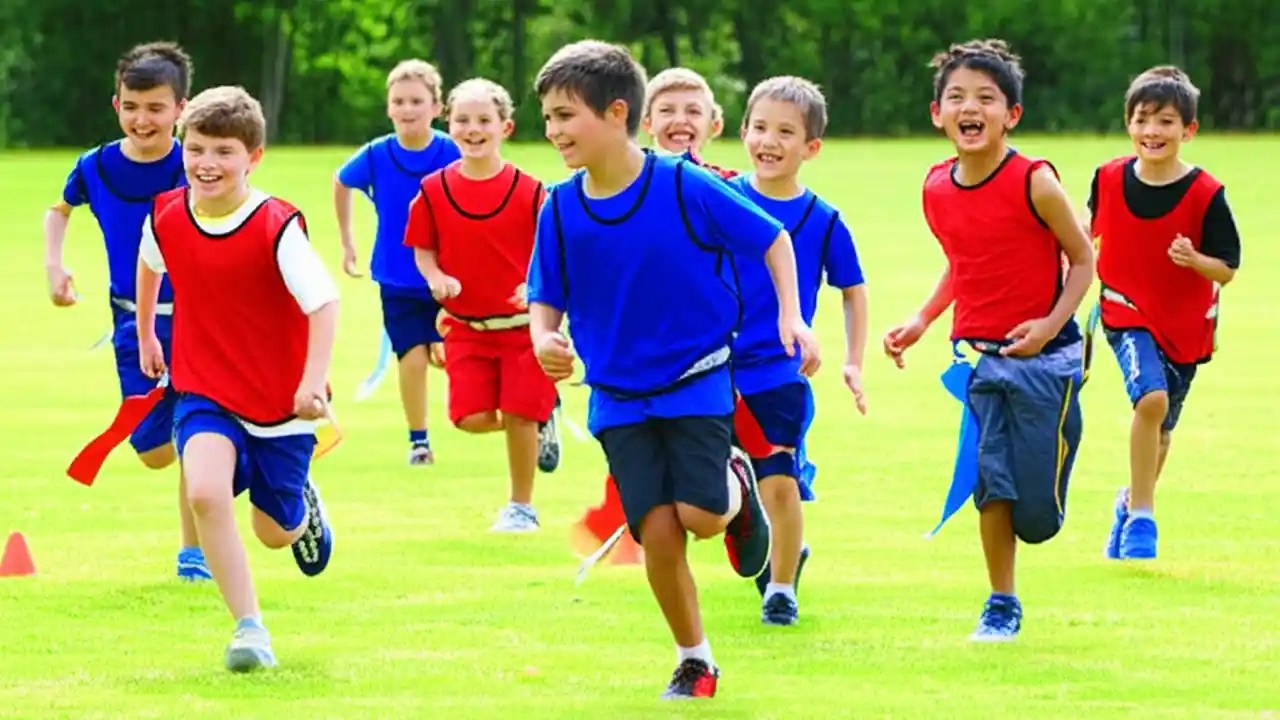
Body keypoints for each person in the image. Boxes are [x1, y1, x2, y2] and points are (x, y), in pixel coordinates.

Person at [528, 39, 819, 698]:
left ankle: (737, 489)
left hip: (697, 375)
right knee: (656, 529)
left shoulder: (682, 184)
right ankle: (695, 658)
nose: (553, 130)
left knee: (701, 513)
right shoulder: (560, 206)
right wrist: (544, 339)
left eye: (565, 115)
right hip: (616, 395)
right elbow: (546, 297)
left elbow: (773, 238)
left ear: (615, 112)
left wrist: (792, 318)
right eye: (547, 116)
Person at [882, 39, 1094, 642]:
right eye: (956, 97)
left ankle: (1047, 491)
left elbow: (1082, 262)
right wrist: (923, 319)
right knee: (989, 477)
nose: (969, 108)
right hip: (981, 357)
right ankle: (1002, 602)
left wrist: (1048, 326)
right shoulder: (935, 188)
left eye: (986, 98)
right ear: (937, 114)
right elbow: (963, 263)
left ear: (1012, 115)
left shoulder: (1036, 181)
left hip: (1048, 360)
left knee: (1037, 515)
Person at [136, 86, 338, 672]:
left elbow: (324, 304)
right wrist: (149, 332)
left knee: (275, 532)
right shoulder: (168, 213)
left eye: (223, 151)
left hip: (279, 403)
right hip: (203, 388)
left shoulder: (275, 226)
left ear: (254, 157)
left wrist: (314, 382)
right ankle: (250, 629)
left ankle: (299, 505)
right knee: (203, 491)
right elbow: (151, 263)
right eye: (196, 148)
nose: (206, 163)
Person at [43, 41, 209, 581]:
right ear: (116, 105)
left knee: (194, 432)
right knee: (154, 450)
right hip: (131, 324)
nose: (143, 120)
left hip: (199, 317)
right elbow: (58, 210)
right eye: (132, 107)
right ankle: (244, 459)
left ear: (181, 109)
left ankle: (194, 552)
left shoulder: (197, 166)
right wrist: (54, 265)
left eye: (157, 108)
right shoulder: (94, 166)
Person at [571, 66, 730, 564]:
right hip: (632, 356)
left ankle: (750, 523)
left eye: (692, 111)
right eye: (667, 110)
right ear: (643, 119)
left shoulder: (723, 187)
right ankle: (631, 530)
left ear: (715, 123)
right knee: (638, 452)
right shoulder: (609, 187)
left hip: (714, 350)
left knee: (718, 478)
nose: (679, 121)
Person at [728, 75, 868, 626]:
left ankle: (782, 588)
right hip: (711, 371)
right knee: (716, 491)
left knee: (778, 479)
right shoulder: (721, 199)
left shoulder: (823, 220)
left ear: (811, 147)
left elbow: (853, 291)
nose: (769, 141)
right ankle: (766, 543)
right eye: (760, 127)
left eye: (785, 132)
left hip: (778, 373)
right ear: (742, 132)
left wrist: (853, 359)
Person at [1089, 66, 1242, 560]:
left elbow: (1227, 270)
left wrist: (1194, 260)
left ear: (1188, 130)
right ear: (1128, 124)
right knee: (1150, 400)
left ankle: (1129, 502)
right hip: (1125, 310)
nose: (1152, 131)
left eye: (1166, 121)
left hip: (1184, 326)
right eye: (1142, 120)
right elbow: (1090, 238)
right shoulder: (1108, 178)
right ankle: (1144, 520)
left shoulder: (1207, 194)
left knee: (1162, 428)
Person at [404, 78, 558, 532]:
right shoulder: (433, 190)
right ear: (447, 124)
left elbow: (551, 253)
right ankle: (537, 418)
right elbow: (422, 248)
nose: (473, 129)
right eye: (463, 120)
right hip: (465, 326)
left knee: (517, 411)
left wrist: (534, 289)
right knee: (467, 418)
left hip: (521, 328)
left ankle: (521, 506)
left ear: (505, 126)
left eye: (484, 120)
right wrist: (436, 278)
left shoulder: (531, 191)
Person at [334, 59, 460, 466]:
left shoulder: (453, 150)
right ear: (388, 108)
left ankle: (522, 412)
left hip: (451, 276)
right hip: (397, 275)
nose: (407, 109)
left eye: (417, 101)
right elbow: (341, 181)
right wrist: (348, 242)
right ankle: (419, 441)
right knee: (412, 356)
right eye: (399, 101)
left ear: (437, 107)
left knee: (454, 353)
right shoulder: (376, 154)